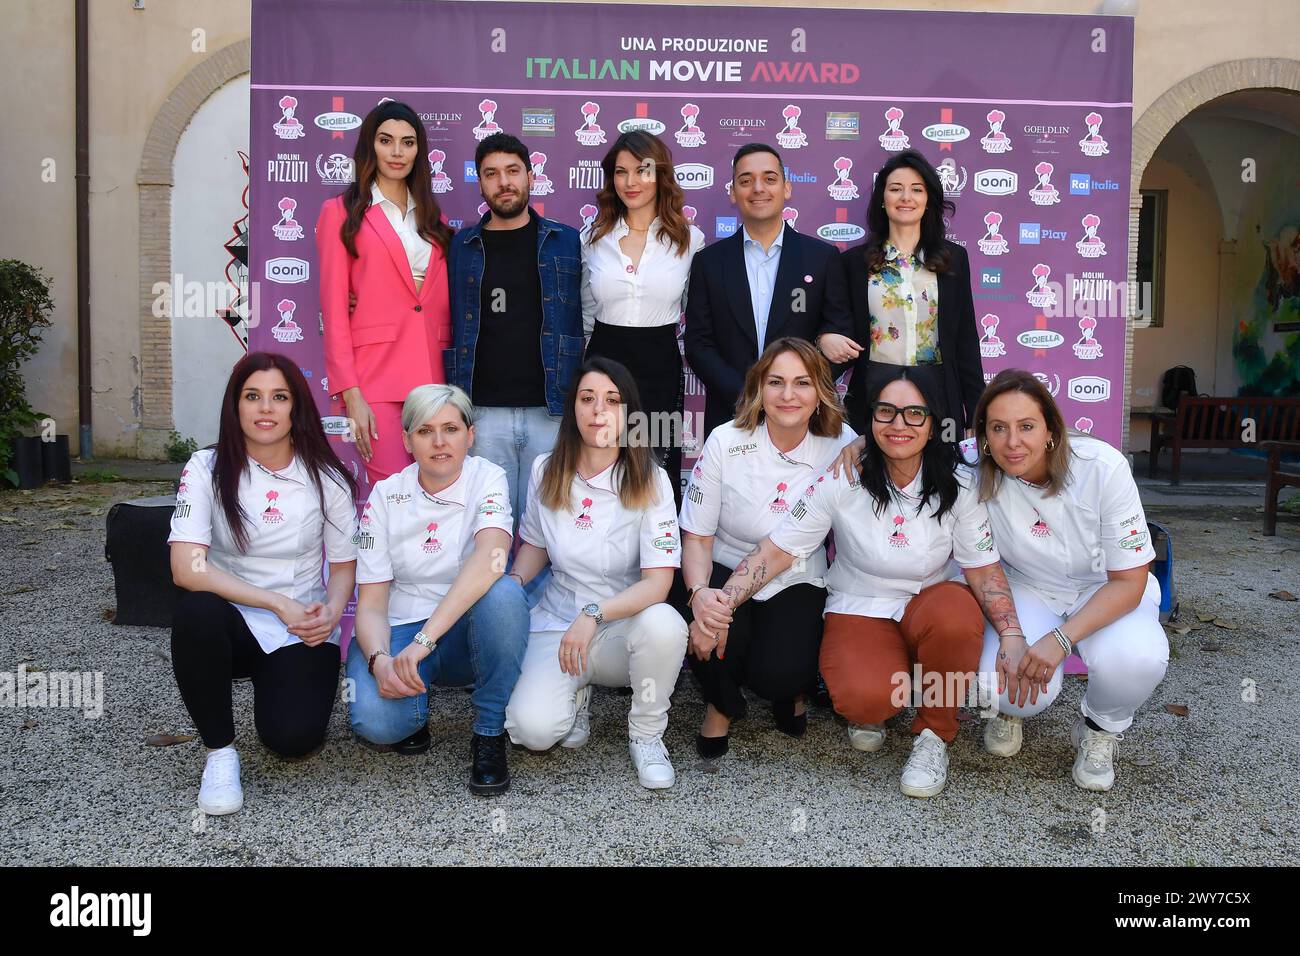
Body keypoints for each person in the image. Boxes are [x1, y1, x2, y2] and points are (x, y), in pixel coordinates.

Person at [715, 367, 1025, 798]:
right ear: (871, 420)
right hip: (860, 602)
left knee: (956, 617)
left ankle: (935, 734)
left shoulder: (961, 482)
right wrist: (722, 603)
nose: (899, 424)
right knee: (863, 698)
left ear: (934, 423)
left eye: (914, 413)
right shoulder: (843, 476)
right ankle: (883, 697)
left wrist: (1011, 632)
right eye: (886, 412)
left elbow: (983, 571)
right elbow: (779, 549)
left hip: (931, 602)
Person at [168, 352, 359, 816]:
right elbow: (186, 567)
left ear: (297, 408)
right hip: (232, 617)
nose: (265, 409)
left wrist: (331, 611)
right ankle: (220, 753)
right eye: (252, 397)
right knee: (196, 610)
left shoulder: (327, 477)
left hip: (300, 625)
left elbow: (343, 567)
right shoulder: (204, 468)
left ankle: (278, 684)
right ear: (235, 406)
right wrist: (274, 603)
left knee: (292, 740)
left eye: (279, 397)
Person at [972, 369, 1169, 792]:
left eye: (1027, 426)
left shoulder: (1103, 467)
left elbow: (1130, 580)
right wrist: (857, 444)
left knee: (1138, 658)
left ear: (1050, 430)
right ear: (983, 436)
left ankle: (1099, 728)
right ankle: (1012, 713)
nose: (1013, 442)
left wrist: (1060, 640)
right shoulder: (972, 467)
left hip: (1104, 589)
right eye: (999, 428)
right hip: (1027, 587)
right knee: (996, 683)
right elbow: (908, 444)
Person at [504, 358, 688, 789]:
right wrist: (510, 588)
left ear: (629, 415)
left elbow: (659, 584)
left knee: (667, 625)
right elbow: (534, 546)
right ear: (573, 409)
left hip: (623, 627)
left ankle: (646, 736)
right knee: (532, 732)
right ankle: (575, 695)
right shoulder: (545, 470)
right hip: (557, 624)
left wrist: (593, 614)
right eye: (587, 399)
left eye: (612, 401)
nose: (598, 411)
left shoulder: (652, 480)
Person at [345, 384, 529, 795]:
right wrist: (378, 661)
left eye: (451, 428)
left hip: (468, 630)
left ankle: (488, 730)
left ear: (471, 435)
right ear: (408, 441)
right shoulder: (385, 495)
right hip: (403, 627)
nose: (440, 441)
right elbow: (372, 603)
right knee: (375, 723)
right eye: (425, 431)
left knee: (504, 595)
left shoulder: (489, 478)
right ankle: (414, 709)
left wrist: (425, 641)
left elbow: (492, 559)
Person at [678, 338, 855, 758]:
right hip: (723, 560)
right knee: (704, 623)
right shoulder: (725, 440)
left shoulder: (842, 443)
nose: (788, 395)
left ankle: (788, 690)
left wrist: (862, 445)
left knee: (780, 672)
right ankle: (721, 706)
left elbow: (883, 446)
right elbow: (697, 538)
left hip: (797, 571)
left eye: (802, 383)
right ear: (758, 389)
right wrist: (700, 596)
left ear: (821, 394)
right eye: (776, 382)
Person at [446, 132, 584, 526]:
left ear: (530, 176)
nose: (503, 182)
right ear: (481, 182)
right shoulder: (462, 246)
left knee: (551, 529)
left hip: (551, 411)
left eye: (512, 171)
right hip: (484, 413)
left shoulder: (566, 242)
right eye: (491, 173)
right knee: (489, 527)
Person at [317, 100, 453, 485]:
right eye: (386, 140)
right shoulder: (340, 213)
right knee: (392, 493)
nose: (397, 152)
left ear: (418, 150)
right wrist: (351, 394)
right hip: (375, 377)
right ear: (369, 146)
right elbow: (333, 306)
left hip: (433, 373)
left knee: (437, 495)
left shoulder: (432, 216)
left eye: (408, 143)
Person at [684, 143, 858, 441]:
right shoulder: (709, 262)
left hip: (804, 421)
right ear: (732, 192)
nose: (758, 188)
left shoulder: (821, 257)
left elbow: (842, 339)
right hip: (732, 418)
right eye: (746, 180)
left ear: (786, 188)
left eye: (769, 178)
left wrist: (799, 391)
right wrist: (748, 394)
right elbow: (699, 344)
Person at [581, 131, 706, 499]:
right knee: (601, 463)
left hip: (659, 365)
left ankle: (658, 553)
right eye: (621, 172)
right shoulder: (591, 238)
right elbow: (588, 312)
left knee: (653, 471)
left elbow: (691, 309)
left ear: (661, 175)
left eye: (642, 170)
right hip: (604, 362)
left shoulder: (690, 239)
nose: (631, 182)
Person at [840, 149, 984, 440]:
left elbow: (965, 341)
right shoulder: (854, 262)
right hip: (874, 391)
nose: (906, 197)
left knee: (941, 480)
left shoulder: (953, 259)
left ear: (928, 199)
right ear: (883, 199)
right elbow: (840, 330)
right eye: (896, 189)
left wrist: (977, 414)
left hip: (939, 393)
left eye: (916, 190)